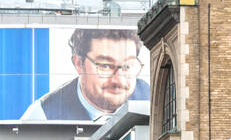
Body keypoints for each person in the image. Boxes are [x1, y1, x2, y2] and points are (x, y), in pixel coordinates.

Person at [20, 29, 149, 121]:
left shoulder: (152, 99)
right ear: (79, 64)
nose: (119, 80)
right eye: (106, 66)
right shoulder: (42, 116)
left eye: (127, 67)